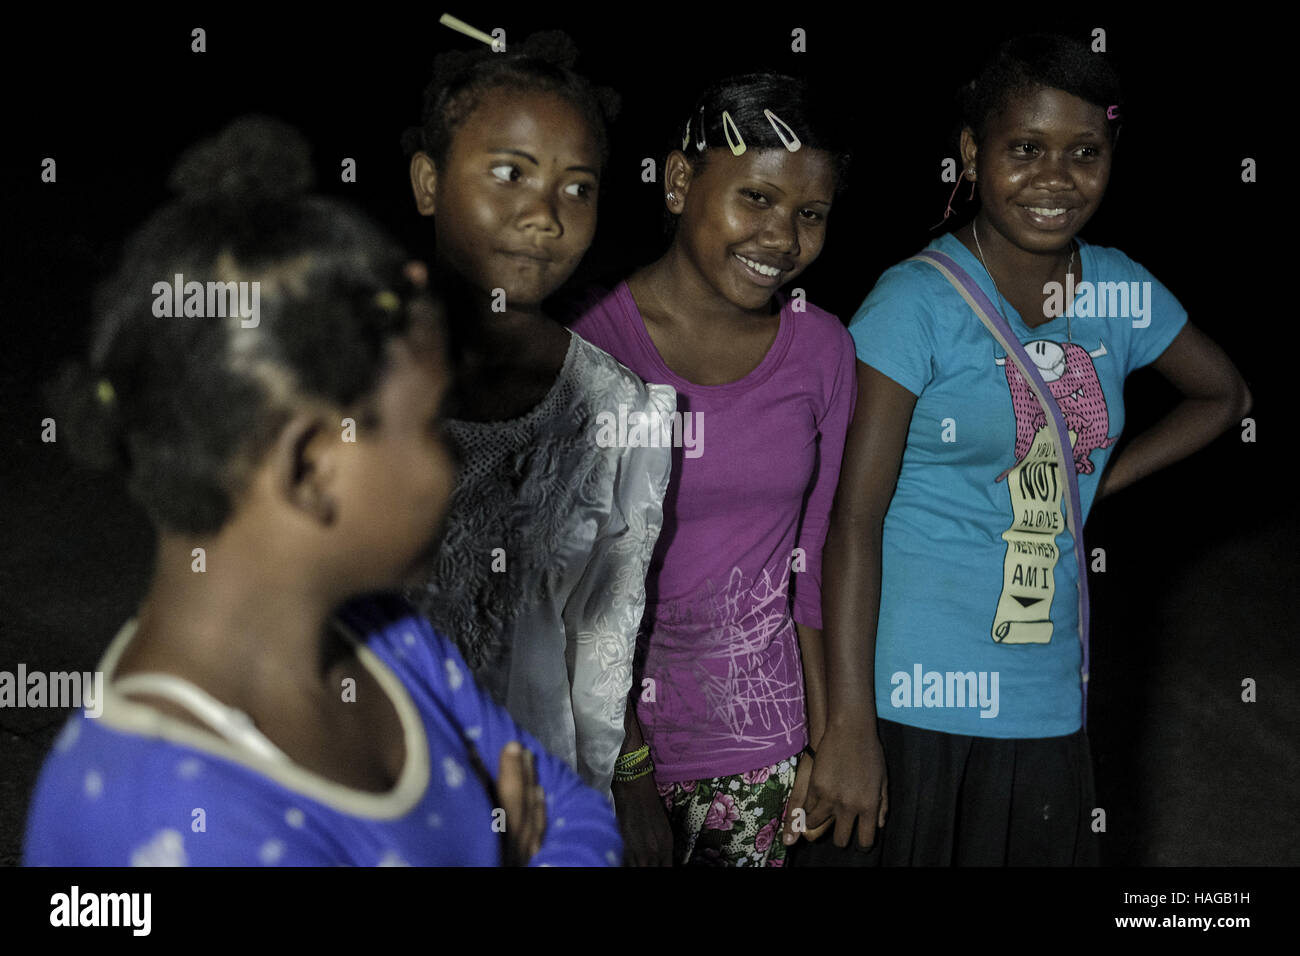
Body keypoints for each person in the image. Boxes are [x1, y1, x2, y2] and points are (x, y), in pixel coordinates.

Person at [23, 116, 620, 866]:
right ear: (312, 468)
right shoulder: (155, 825)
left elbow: (572, 811)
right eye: (434, 425)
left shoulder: (384, 639)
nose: (458, 456)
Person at [801, 33, 1252, 865]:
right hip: (908, 700)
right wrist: (849, 727)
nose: (1056, 178)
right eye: (1025, 149)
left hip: (1046, 696)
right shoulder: (912, 305)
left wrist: (1095, 484)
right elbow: (851, 522)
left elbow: (1224, 396)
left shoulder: (1119, 286)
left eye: (1086, 151)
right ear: (972, 153)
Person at [569, 73, 855, 866]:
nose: (782, 239)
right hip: (606, 752)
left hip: (760, 755)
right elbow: (570, 586)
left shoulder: (822, 348)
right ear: (680, 181)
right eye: (756, 199)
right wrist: (628, 774)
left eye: (810, 215)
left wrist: (825, 744)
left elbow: (816, 557)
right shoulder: (590, 343)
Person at [401, 30, 674, 801]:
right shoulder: (337, 376)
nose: (546, 216)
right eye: (508, 173)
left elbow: (601, 638)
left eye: (578, 187)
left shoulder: (617, 410)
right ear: (428, 181)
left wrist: (600, 798)